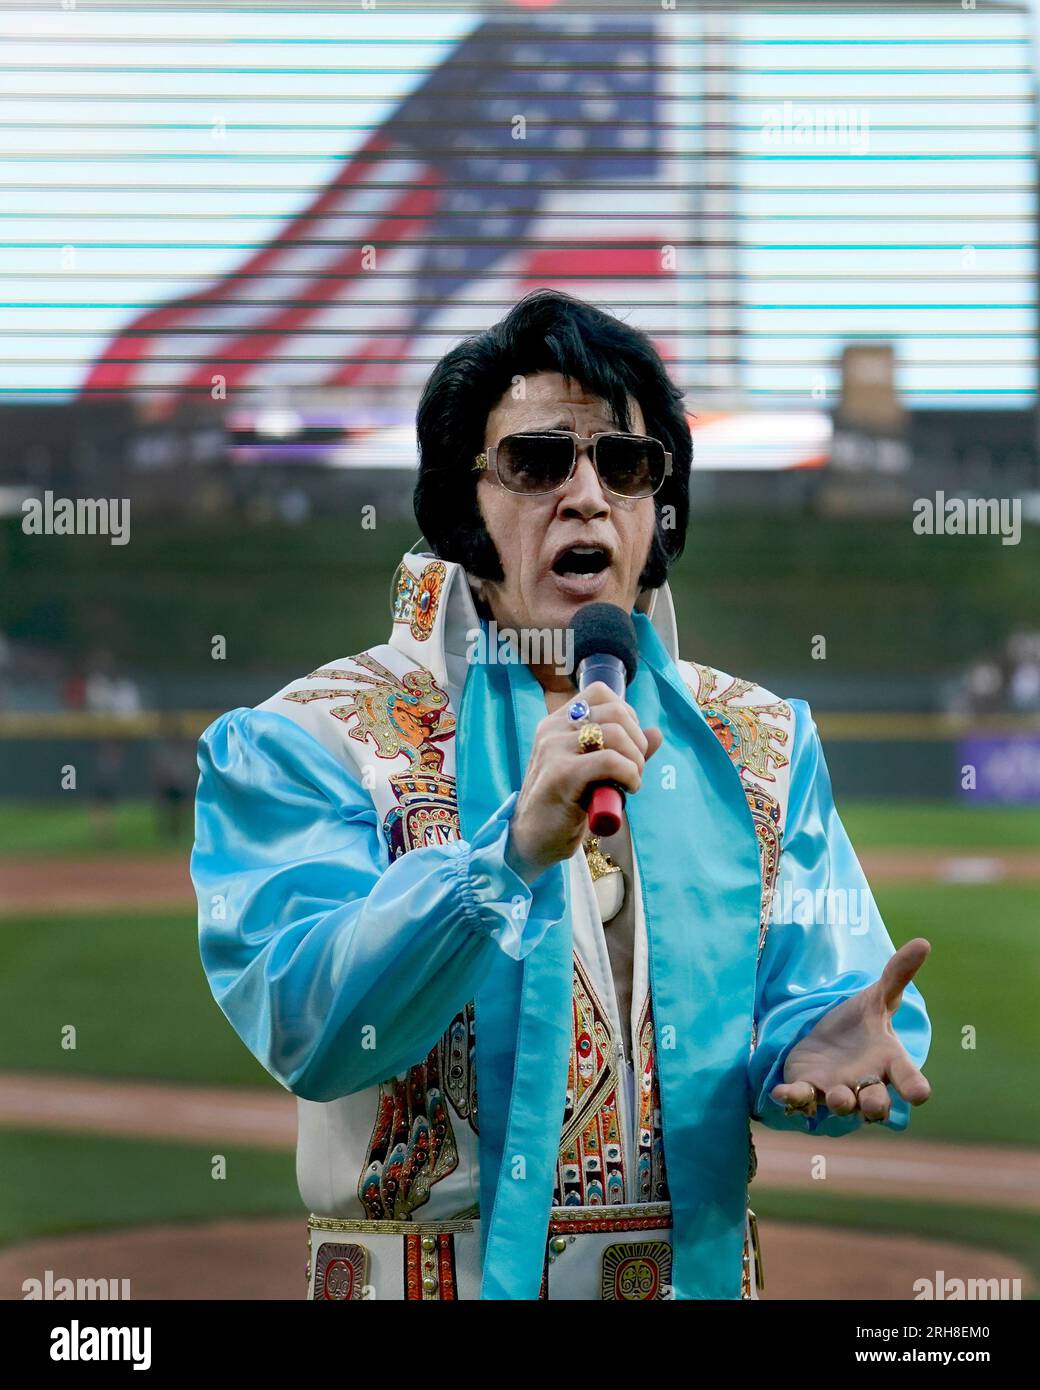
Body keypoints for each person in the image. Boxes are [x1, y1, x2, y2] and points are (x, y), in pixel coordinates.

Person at [191, 289, 931, 1302]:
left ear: (653, 510)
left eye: (622, 466)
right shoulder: (309, 736)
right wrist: (500, 859)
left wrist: (812, 1044)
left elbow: (820, 992)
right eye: (536, 462)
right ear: (467, 504)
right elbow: (310, 1025)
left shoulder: (758, 742)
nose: (583, 495)